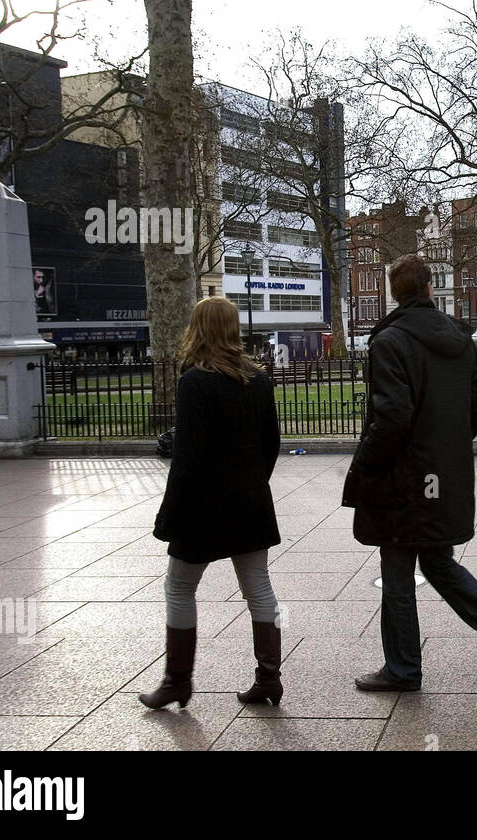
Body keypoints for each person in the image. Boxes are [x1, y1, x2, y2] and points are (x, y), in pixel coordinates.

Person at [349, 254, 477, 692]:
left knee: (397, 571)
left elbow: (392, 417)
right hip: (443, 472)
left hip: (401, 477)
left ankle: (404, 668)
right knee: (436, 561)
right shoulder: (460, 337)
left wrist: (366, 467)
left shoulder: (389, 341)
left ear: (395, 293)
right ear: (430, 288)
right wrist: (446, 447)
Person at [141, 296, 284, 709]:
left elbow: (187, 459)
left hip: (203, 507)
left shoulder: (195, 381)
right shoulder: (257, 378)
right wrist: (254, 481)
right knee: (258, 588)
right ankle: (268, 679)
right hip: (250, 501)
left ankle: (177, 681)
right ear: (233, 328)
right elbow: (271, 443)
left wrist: (169, 516)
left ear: (197, 328)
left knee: (180, 587)